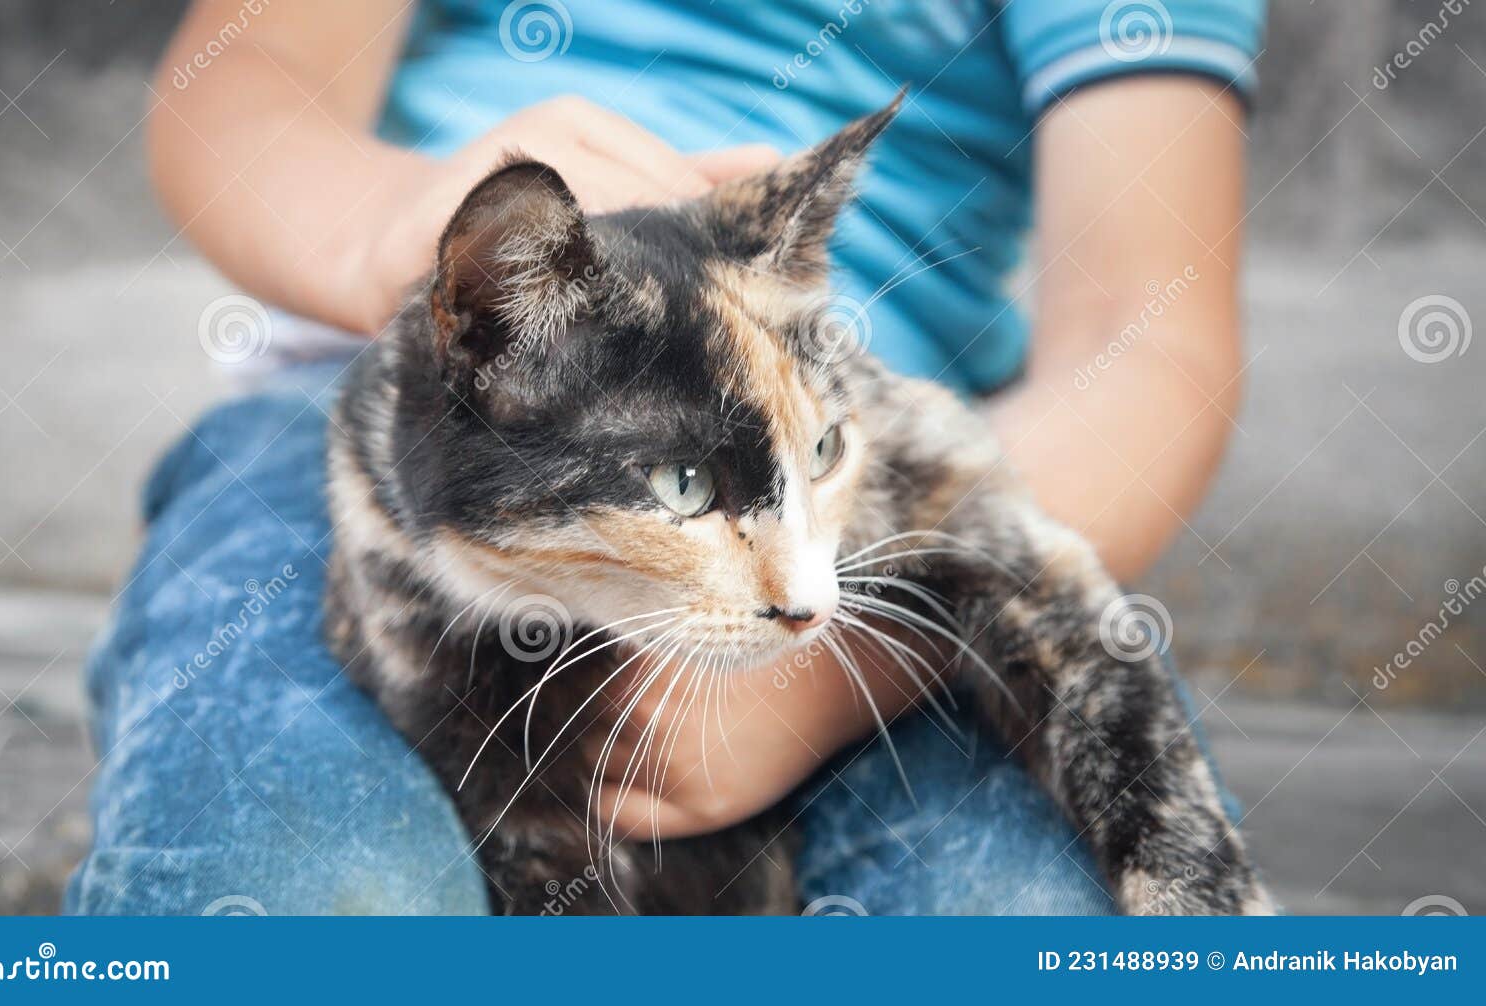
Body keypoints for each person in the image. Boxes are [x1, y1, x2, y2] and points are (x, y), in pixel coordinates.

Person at [66, 0, 1263, 915]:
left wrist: (818, 686)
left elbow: (1145, 342)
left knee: (1006, 920)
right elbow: (237, 82)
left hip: (844, 483)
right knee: (299, 891)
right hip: (386, 416)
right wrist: (392, 226)